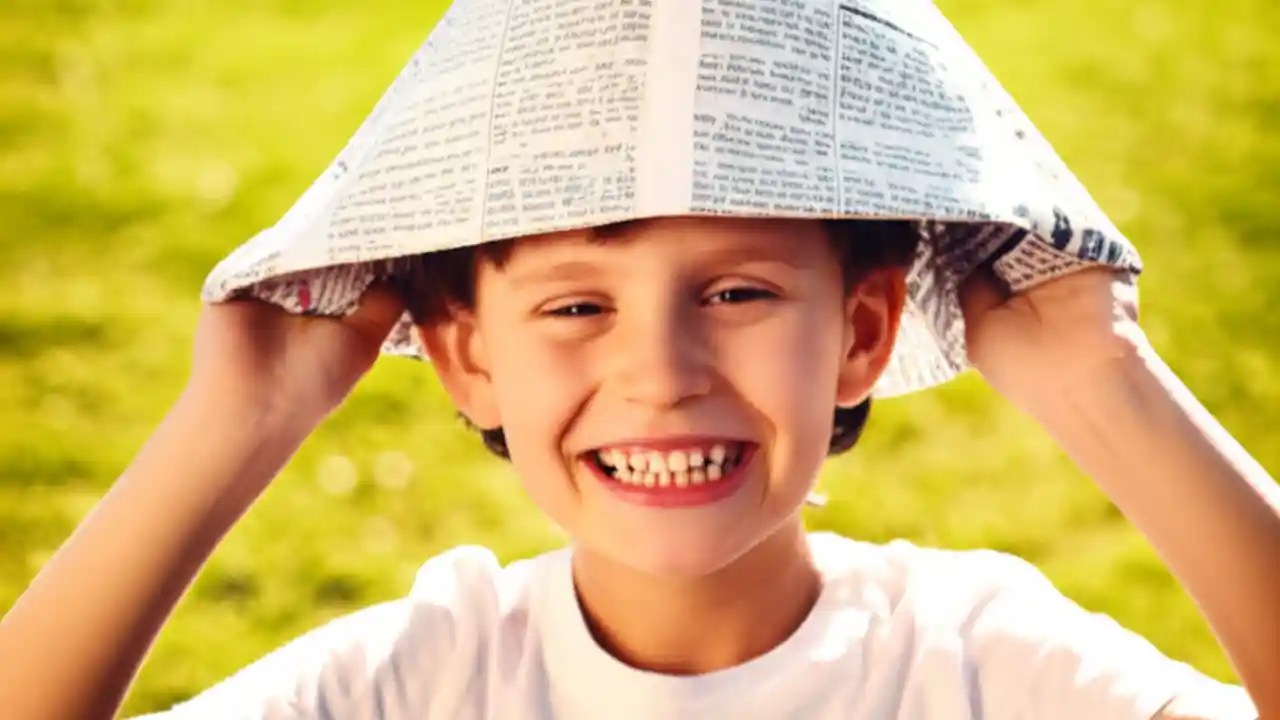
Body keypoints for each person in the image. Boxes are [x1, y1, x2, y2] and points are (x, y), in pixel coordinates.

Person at [0, 212, 1275, 719]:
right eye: (572, 309)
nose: (659, 372)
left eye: (732, 291)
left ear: (864, 333)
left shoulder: (981, 661)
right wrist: (237, 423)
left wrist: (1106, 387)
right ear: (465, 359)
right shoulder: (422, 678)